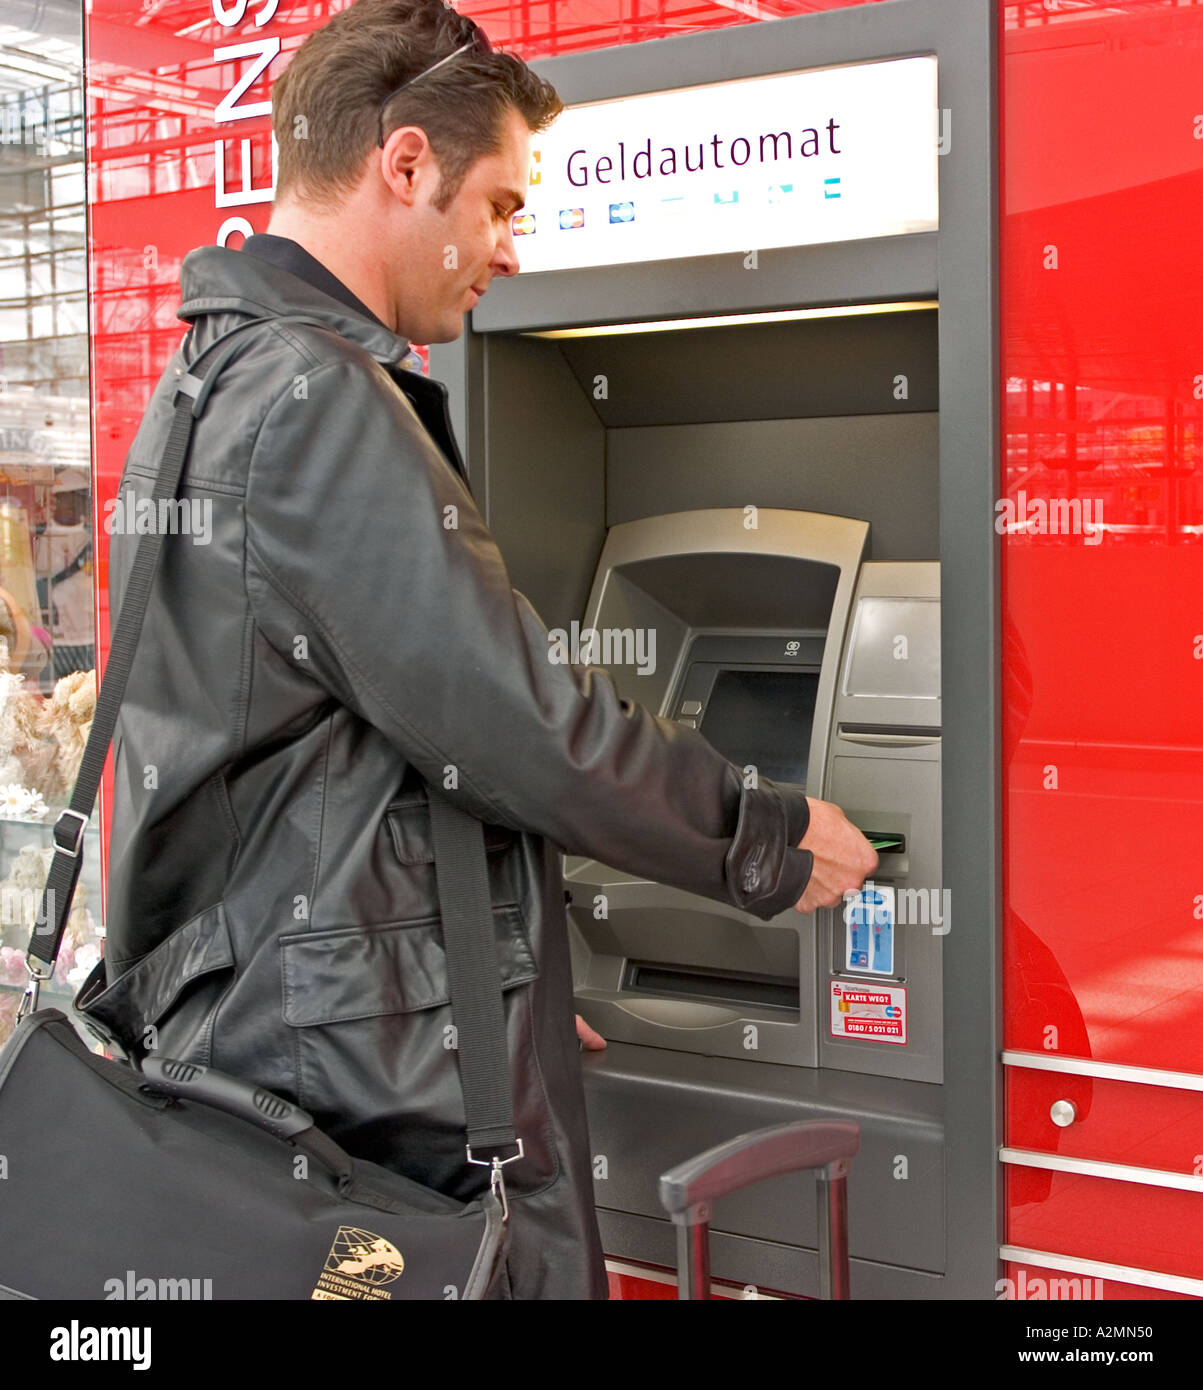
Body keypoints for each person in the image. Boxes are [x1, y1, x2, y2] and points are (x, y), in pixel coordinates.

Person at [83, 0, 877, 1300]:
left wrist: (476, 973)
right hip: (354, 1114)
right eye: (500, 204)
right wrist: (764, 833)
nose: (512, 247)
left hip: (293, 1053)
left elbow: (304, 776)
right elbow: (512, 721)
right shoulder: (319, 405)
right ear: (403, 165)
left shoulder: (197, 390)